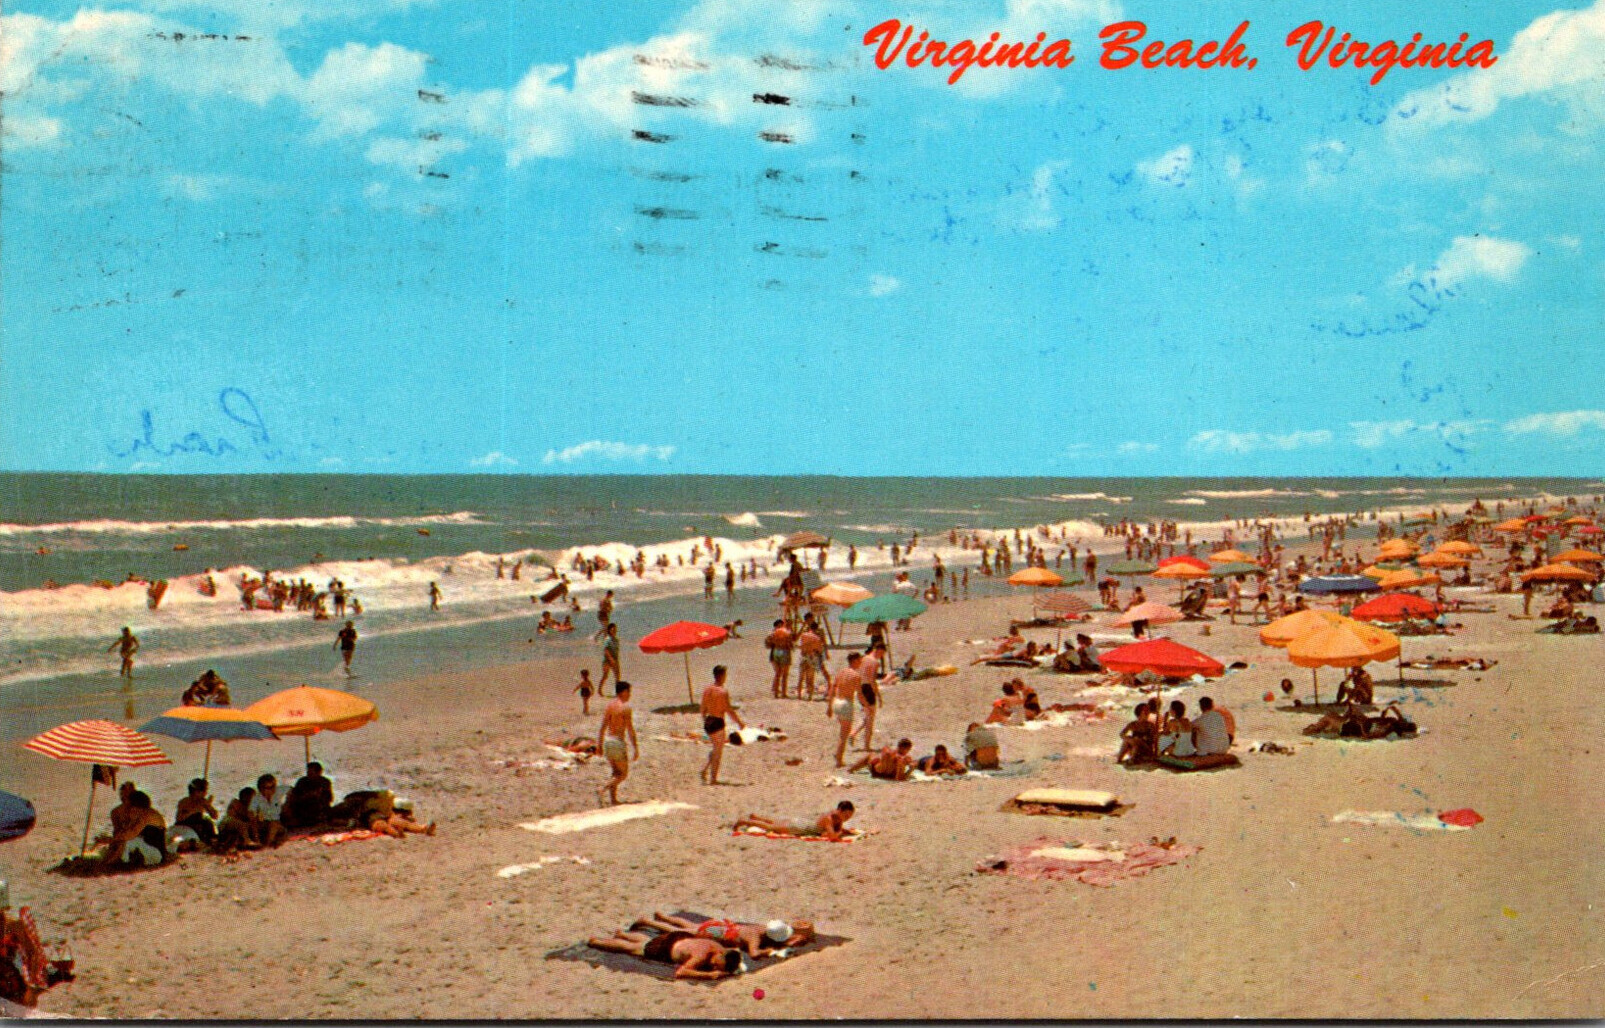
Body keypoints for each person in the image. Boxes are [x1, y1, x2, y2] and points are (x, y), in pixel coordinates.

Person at [632, 913, 816, 959]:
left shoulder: (762, 928)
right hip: (714, 933)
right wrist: (766, 950)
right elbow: (754, 954)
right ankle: (648, 922)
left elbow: (781, 932)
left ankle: (663, 916)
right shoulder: (755, 938)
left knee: (688, 925)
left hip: (719, 927)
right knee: (679, 933)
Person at [587, 928, 742, 980]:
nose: (714, 966)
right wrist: (710, 975)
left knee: (647, 942)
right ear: (720, 955)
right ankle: (597, 942)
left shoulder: (719, 947)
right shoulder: (701, 956)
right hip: (666, 948)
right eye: (716, 963)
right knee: (633, 949)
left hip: (679, 937)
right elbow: (680, 972)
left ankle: (622, 933)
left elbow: (735, 954)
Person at [699, 665, 745, 786]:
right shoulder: (722, 692)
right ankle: (713, 778)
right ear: (721, 675)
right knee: (718, 752)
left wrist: (704, 719)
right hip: (718, 721)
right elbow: (728, 709)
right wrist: (739, 723)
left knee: (715, 749)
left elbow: (703, 707)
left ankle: (704, 770)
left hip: (709, 721)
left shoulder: (707, 689)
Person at [597, 681, 640, 805]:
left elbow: (603, 727)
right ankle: (602, 788)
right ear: (624, 692)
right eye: (629, 692)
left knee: (615, 772)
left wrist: (599, 745)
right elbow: (630, 730)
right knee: (623, 774)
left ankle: (613, 799)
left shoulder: (609, 706)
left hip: (608, 741)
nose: (630, 695)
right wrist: (635, 748)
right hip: (617, 742)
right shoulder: (625, 708)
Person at [734, 801, 855, 841]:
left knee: (775, 823)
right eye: (846, 815)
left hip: (802, 823)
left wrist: (844, 830)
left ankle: (756, 817)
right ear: (840, 810)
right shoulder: (829, 818)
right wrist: (840, 833)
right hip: (799, 828)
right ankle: (745, 822)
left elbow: (836, 829)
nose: (847, 818)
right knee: (770, 828)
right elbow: (832, 837)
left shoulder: (836, 816)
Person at [827, 654, 863, 768]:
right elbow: (860, 694)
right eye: (859, 660)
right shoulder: (856, 676)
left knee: (843, 732)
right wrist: (865, 705)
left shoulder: (841, 672)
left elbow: (832, 689)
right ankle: (839, 760)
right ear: (855, 661)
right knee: (844, 735)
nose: (861, 662)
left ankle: (838, 754)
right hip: (846, 704)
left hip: (837, 702)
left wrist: (829, 706)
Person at [281, 763, 335, 830]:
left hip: (317, 808)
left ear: (319, 772)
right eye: (308, 772)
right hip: (302, 807)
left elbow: (329, 798)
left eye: (311, 772)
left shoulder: (324, 782)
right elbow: (295, 796)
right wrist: (306, 796)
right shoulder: (303, 781)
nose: (309, 774)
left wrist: (316, 796)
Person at [173, 778, 218, 848]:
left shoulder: (203, 802)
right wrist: (195, 809)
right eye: (203, 791)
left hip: (198, 828)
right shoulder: (184, 802)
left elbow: (215, 816)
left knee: (208, 822)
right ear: (196, 792)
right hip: (185, 828)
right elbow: (179, 819)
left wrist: (209, 806)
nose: (205, 793)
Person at [850, 664, 884, 751]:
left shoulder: (857, 670)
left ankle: (854, 733)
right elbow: (873, 684)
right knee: (870, 721)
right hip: (868, 692)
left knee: (866, 718)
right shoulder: (869, 670)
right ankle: (866, 746)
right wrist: (879, 697)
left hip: (861, 692)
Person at [248, 774, 288, 847]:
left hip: (278, 822)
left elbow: (293, 790)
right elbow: (251, 816)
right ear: (260, 788)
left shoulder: (279, 791)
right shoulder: (256, 798)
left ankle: (270, 842)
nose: (271, 790)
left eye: (272, 787)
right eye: (267, 788)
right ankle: (268, 842)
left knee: (277, 826)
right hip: (264, 823)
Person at [849, 738, 914, 780]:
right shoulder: (905, 758)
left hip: (876, 772)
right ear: (905, 749)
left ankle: (851, 769)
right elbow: (900, 778)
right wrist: (911, 769)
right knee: (897, 760)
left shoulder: (889, 752)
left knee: (871, 756)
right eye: (909, 750)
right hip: (890, 775)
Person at [797, 621, 827, 700]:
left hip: (804, 656)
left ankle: (799, 695)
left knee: (801, 677)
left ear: (809, 627)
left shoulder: (803, 635)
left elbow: (801, 646)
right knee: (810, 678)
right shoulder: (817, 638)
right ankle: (810, 696)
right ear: (816, 629)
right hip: (812, 657)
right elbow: (820, 650)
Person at [764, 620, 794, 698]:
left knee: (777, 673)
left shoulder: (773, 632)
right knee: (785, 675)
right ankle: (783, 693)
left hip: (776, 651)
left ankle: (776, 694)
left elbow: (768, 643)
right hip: (784, 651)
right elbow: (790, 643)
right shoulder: (787, 632)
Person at [598, 623, 622, 696]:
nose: (614, 630)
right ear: (609, 630)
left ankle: (617, 692)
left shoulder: (617, 639)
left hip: (615, 659)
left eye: (615, 629)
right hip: (607, 660)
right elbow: (605, 650)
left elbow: (617, 650)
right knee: (605, 676)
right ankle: (599, 690)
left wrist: (616, 660)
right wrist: (611, 659)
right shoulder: (607, 639)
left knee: (617, 675)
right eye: (612, 629)